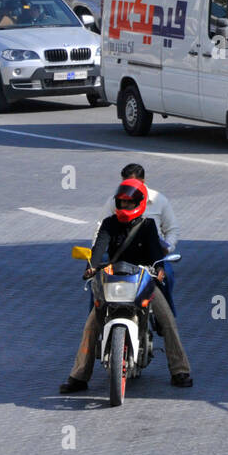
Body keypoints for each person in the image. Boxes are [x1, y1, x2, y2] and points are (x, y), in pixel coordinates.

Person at [60, 180, 192, 392]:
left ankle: (180, 371)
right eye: (121, 203)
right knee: (91, 324)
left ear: (139, 203)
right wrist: (92, 267)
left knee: (167, 320)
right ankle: (79, 376)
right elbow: (99, 247)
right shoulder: (109, 224)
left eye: (129, 204)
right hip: (114, 278)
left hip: (143, 280)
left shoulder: (148, 226)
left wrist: (159, 269)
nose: (125, 207)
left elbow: (156, 254)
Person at [98, 163, 179, 312]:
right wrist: (93, 260)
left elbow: (172, 230)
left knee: (167, 276)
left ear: (143, 181)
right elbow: (100, 230)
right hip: (118, 255)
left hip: (151, 256)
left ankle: (167, 318)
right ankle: (95, 320)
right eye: (125, 184)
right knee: (97, 282)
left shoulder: (159, 200)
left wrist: (167, 248)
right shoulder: (114, 201)